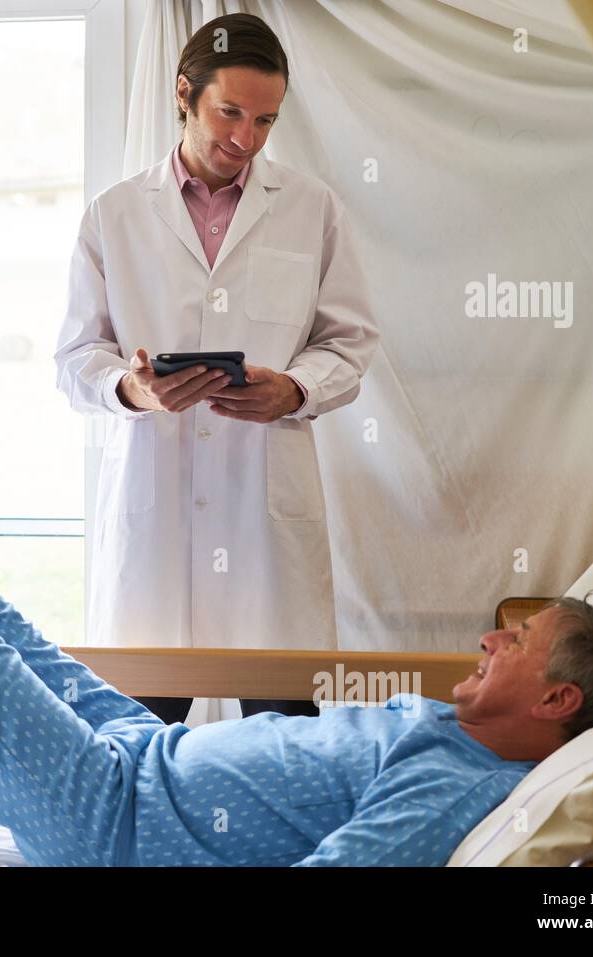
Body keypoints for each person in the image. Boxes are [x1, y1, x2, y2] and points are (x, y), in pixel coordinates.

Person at [0, 370, 593, 866]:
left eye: (517, 642)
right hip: (142, 752)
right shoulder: (451, 729)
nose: (492, 636)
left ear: (557, 698)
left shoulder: (459, 782)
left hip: (111, 819)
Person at [54, 13, 379, 726]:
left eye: (265, 120)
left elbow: (350, 342)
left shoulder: (311, 210)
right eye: (230, 112)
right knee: (137, 739)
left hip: (265, 513)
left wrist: (295, 389)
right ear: (184, 94)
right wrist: (130, 388)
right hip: (154, 511)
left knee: (288, 734)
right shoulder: (114, 215)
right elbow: (76, 358)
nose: (246, 138)